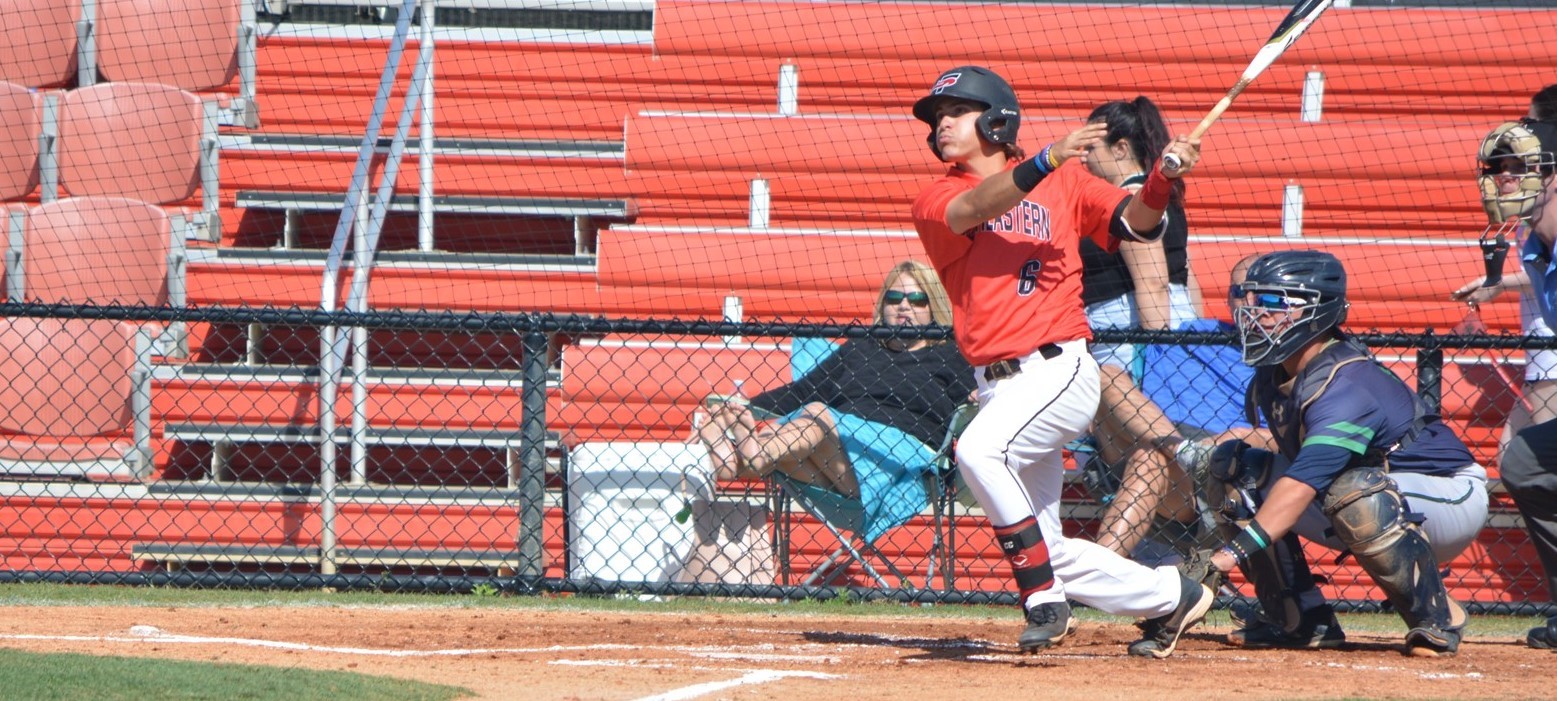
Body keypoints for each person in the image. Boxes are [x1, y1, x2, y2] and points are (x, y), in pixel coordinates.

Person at [908, 65, 1212, 658]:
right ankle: (1171, 594)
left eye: (957, 113)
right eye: (936, 118)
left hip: (1060, 367)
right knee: (1049, 545)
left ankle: (1041, 598)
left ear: (998, 121)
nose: (942, 124)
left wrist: (1160, 182)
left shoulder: (1067, 184)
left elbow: (1136, 224)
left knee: (979, 451)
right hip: (998, 386)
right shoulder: (938, 196)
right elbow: (978, 205)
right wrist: (1045, 159)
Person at [1198, 250, 1490, 657]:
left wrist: (1227, 556)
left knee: (1353, 489)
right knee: (1236, 470)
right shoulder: (1275, 371)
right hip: (1368, 492)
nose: (1252, 313)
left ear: (1316, 311)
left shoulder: (1346, 380)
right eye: (1246, 299)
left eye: (1268, 302)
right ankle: (1301, 621)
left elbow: (1303, 483)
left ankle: (1438, 617)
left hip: (1449, 496)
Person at [697, 259, 977, 544]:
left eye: (917, 299)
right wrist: (740, 408)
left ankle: (746, 452)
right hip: (836, 454)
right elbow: (800, 392)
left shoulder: (951, 355)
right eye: (895, 297)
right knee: (798, 430)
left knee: (814, 416)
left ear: (933, 307)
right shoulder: (860, 348)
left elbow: (977, 405)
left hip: (901, 464)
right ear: (883, 304)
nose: (904, 306)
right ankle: (733, 457)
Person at [1452, 96, 1557, 650]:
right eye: (1500, 168)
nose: (1505, 179)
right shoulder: (1536, 241)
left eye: (1524, 166)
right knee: (1525, 461)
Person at [1091, 254, 1263, 561]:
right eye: (1239, 292)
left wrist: (1233, 439)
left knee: (1150, 458)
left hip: (1219, 483)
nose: (1249, 302)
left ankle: (1093, 573)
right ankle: (1095, 576)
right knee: (1108, 374)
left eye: (1260, 293)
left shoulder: (1286, 363)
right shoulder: (1187, 332)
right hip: (1161, 452)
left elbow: (1287, 441)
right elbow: (1153, 284)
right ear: (1227, 298)